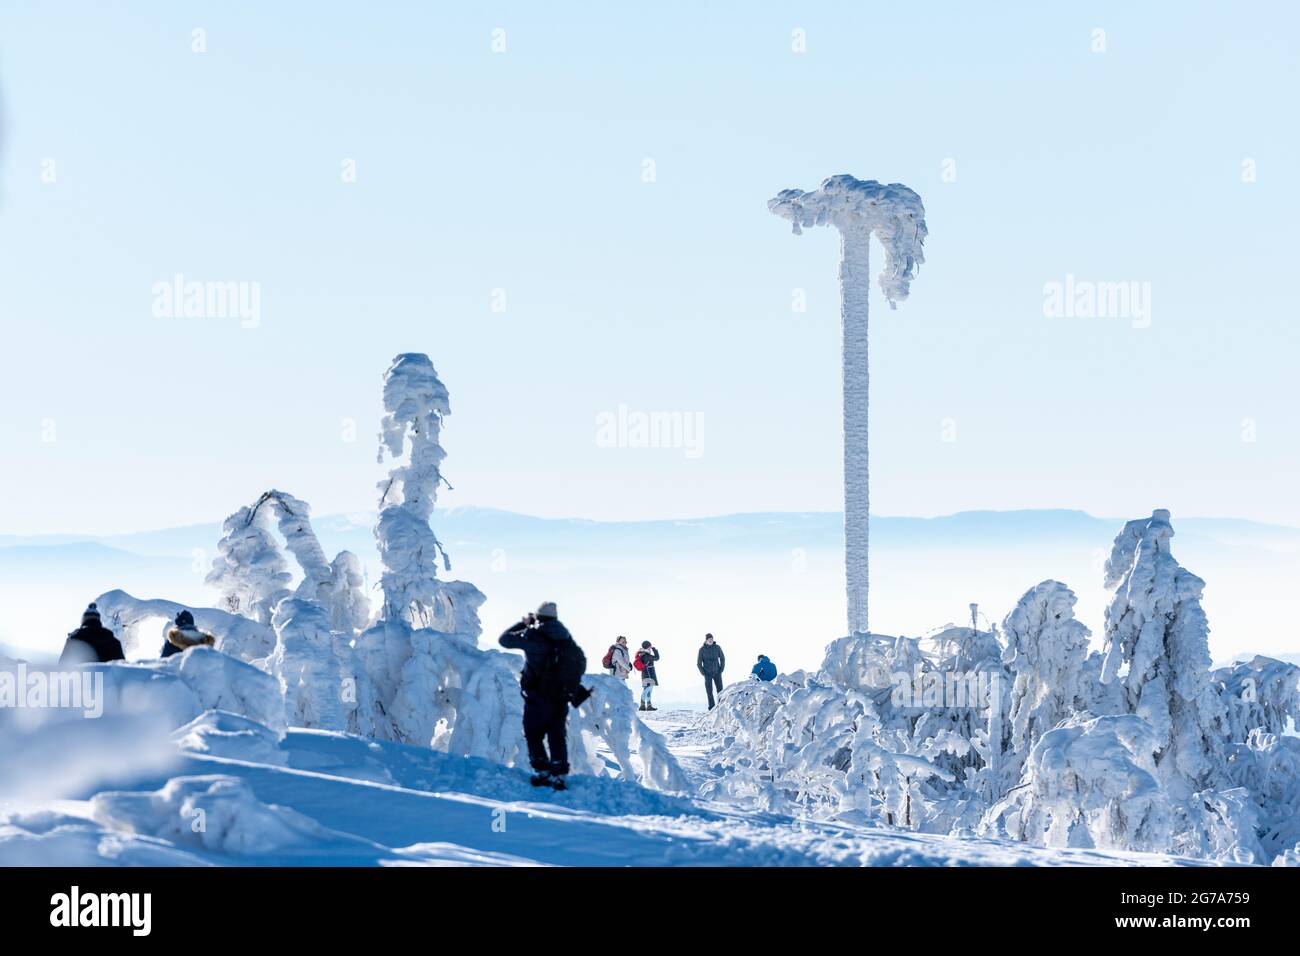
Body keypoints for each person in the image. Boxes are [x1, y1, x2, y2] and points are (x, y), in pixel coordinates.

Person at [499, 601, 588, 791]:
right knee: (557, 735)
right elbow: (580, 663)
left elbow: (504, 640)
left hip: (537, 696)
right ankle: (559, 775)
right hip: (561, 697)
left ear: (538, 617)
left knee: (534, 734)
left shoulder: (534, 636)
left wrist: (523, 624)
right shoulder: (565, 639)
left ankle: (543, 771)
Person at [59, 602, 126, 665]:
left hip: (82, 676)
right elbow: (121, 669)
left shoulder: (73, 640)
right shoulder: (113, 642)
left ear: (83, 620)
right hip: (108, 677)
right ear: (98, 620)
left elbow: (63, 666)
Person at [697, 632, 726, 710]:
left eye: (712, 639)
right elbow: (699, 663)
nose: (711, 640)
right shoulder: (702, 650)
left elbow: (722, 658)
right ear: (706, 641)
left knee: (720, 691)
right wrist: (703, 673)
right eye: (709, 639)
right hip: (707, 673)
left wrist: (721, 669)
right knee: (709, 691)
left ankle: (721, 706)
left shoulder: (717, 647)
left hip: (717, 672)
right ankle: (712, 707)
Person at [635, 640, 661, 712]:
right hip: (649, 673)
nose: (651, 648)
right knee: (648, 689)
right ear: (648, 646)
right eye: (650, 646)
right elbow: (657, 658)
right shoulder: (646, 655)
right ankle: (643, 705)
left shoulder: (642, 654)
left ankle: (647, 705)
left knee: (648, 689)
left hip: (645, 673)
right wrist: (655, 650)